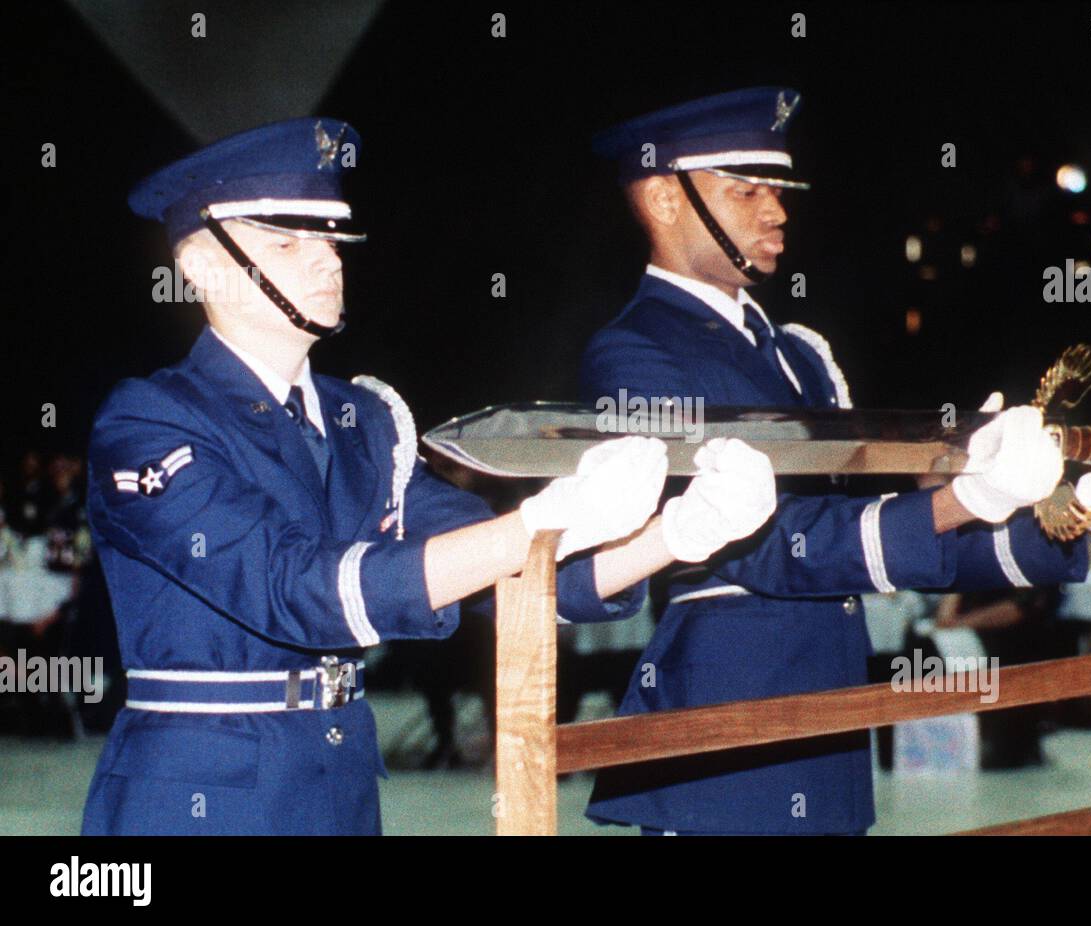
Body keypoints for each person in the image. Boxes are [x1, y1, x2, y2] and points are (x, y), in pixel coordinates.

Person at [81, 117, 777, 835]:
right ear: (201, 267)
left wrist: (677, 533)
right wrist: (539, 520)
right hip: (199, 795)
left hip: (341, 783)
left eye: (332, 240)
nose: (326, 262)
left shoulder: (364, 422)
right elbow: (294, 590)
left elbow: (504, 573)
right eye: (287, 242)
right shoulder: (150, 423)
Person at [580, 87, 1091, 835]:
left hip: (832, 725)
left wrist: (1078, 508)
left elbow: (884, 545)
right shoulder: (635, 352)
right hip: (725, 740)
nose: (776, 212)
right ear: (663, 201)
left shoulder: (799, 357)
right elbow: (767, 549)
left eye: (778, 191)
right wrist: (963, 499)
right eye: (746, 190)